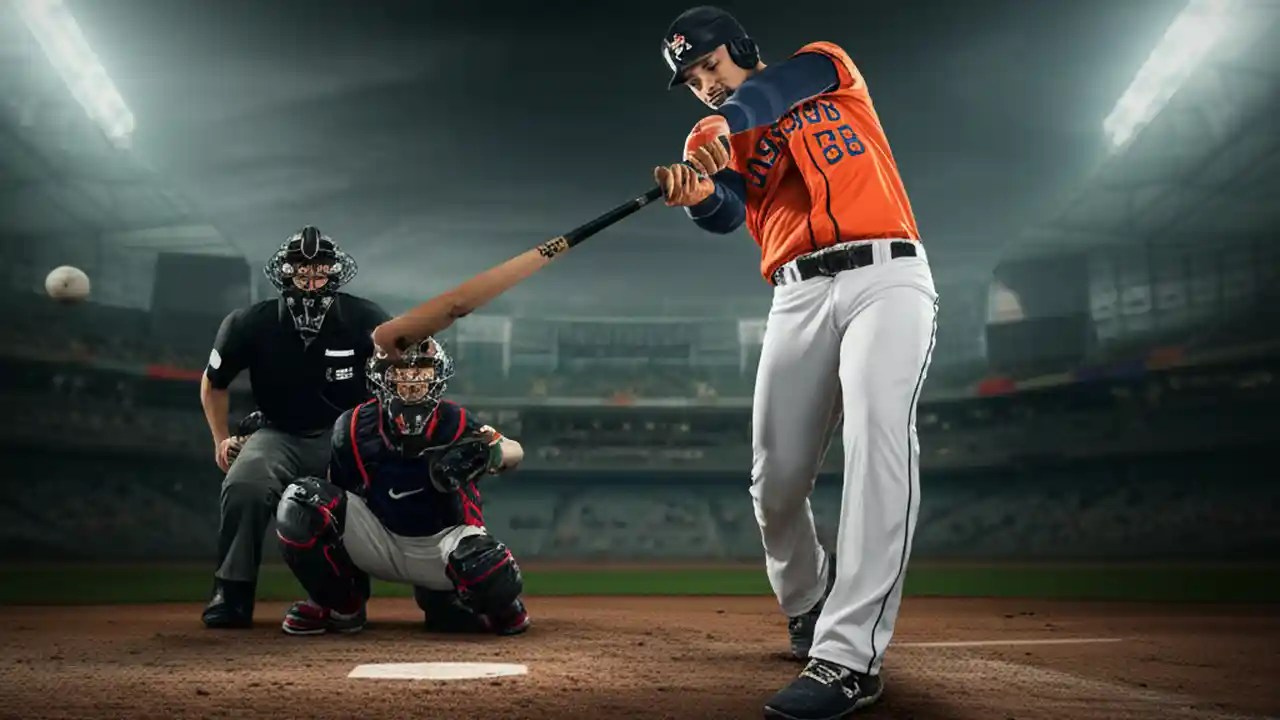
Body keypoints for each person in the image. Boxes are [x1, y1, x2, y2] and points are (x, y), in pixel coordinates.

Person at [653, 7, 939, 718]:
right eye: (691, 80)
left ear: (742, 48)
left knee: (878, 443)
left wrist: (726, 126)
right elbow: (727, 209)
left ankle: (849, 658)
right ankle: (809, 602)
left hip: (887, 276)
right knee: (774, 483)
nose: (705, 84)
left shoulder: (824, 68)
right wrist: (696, 195)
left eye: (711, 64)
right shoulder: (705, 136)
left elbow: (767, 96)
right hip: (796, 293)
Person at [273, 336, 531, 636]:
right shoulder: (352, 426)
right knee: (300, 502)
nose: (411, 380)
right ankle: (341, 604)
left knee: (488, 571)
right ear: (381, 375)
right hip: (379, 537)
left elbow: (514, 449)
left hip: (445, 545)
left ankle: (472, 602)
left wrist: (492, 453)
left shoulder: (457, 420)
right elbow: (338, 500)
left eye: (421, 371)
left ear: (437, 374)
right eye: (401, 371)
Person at [199, 226, 391, 628]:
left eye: (320, 270)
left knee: (356, 499)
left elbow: (397, 373)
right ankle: (230, 592)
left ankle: (344, 595)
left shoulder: (366, 318)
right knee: (243, 484)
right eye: (300, 269)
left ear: (336, 274)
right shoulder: (249, 322)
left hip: (345, 436)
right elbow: (213, 383)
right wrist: (220, 439)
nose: (310, 278)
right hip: (277, 432)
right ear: (282, 273)